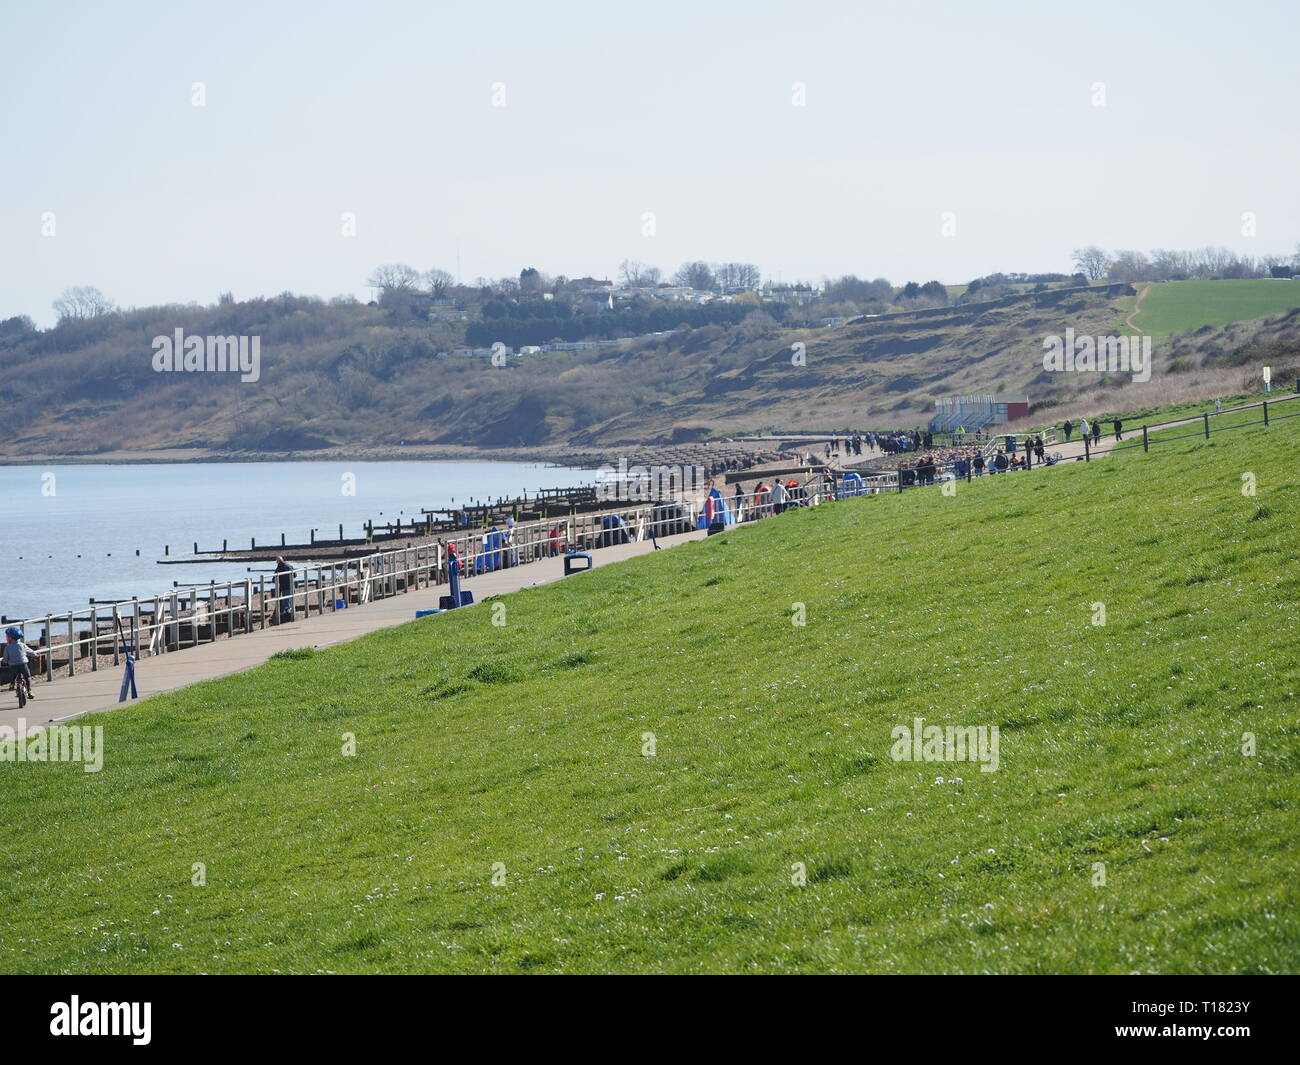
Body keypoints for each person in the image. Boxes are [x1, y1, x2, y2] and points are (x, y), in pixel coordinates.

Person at [4, 627, 36, 701]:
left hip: (13, 666)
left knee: (14, 674)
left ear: (10, 638)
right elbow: (30, 651)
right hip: (23, 664)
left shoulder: (7, 648)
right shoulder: (22, 645)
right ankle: (29, 691)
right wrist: (35, 654)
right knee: (27, 677)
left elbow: (6, 658)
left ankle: (12, 684)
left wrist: (5, 661)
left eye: (7, 637)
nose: (6, 638)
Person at [273, 556, 295, 623]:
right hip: (291, 586)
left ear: (278, 561)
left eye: (276, 561)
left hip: (284, 587)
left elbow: (274, 578)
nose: (276, 562)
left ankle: (288, 616)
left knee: (286, 602)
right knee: (291, 600)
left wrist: (275, 580)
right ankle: (292, 614)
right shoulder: (289, 566)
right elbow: (295, 575)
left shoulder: (279, 567)